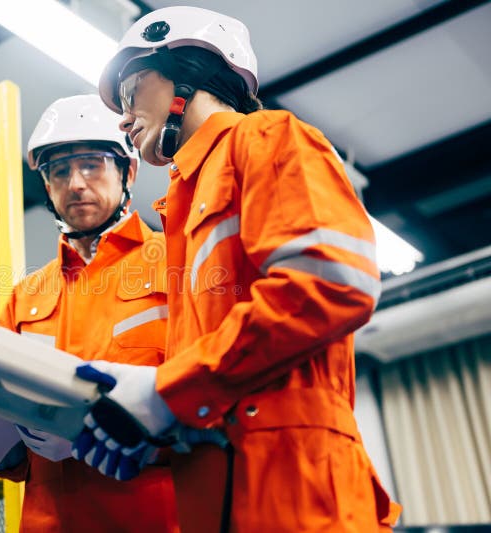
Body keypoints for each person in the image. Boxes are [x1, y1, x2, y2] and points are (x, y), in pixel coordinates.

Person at [70, 6, 402, 532]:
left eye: (132, 91)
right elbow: (215, 375)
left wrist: (167, 391)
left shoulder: (267, 140)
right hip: (220, 494)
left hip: (298, 494)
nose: (122, 116)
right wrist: (151, 427)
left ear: (188, 72)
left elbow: (334, 280)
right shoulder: (182, 209)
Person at [0, 94, 179, 533]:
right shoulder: (26, 297)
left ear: (128, 171)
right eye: (59, 171)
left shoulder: (177, 265)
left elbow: (212, 392)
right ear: (48, 187)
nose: (75, 183)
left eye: (92, 164)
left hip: (157, 518)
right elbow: (14, 453)